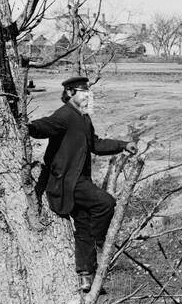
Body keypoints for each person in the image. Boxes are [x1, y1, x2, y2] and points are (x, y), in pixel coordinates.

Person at [27, 75, 137, 291]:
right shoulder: (65, 115)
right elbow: (45, 126)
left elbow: (95, 144)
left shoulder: (84, 118)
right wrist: (28, 126)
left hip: (79, 181)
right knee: (105, 202)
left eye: (89, 92)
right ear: (69, 93)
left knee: (84, 227)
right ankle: (99, 241)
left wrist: (123, 144)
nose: (87, 96)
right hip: (67, 182)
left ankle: (85, 277)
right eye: (83, 92)